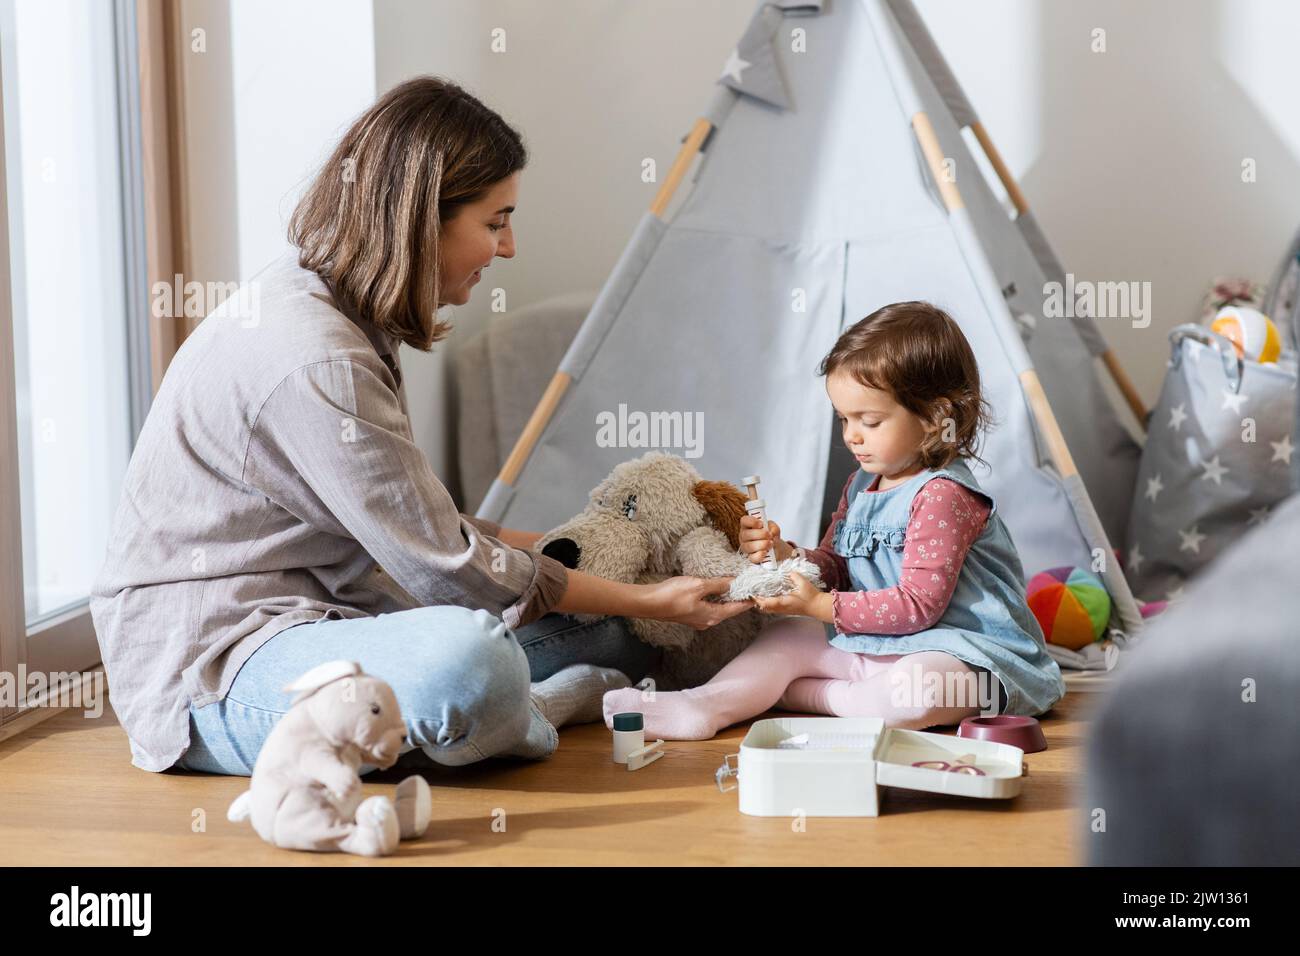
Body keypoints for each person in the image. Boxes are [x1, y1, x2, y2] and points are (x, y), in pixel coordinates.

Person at [89, 76, 750, 776]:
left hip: (331, 619)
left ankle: (504, 711)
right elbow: (448, 565)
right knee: (468, 663)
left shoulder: (346, 319)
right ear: (420, 219)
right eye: (495, 222)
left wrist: (610, 561)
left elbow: (423, 527)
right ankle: (537, 712)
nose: (510, 247)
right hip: (219, 669)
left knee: (621, 634)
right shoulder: (318, 356)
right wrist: (645, 595)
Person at [601, 301, 1066, 739]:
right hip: (877, 640)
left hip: (964, 650)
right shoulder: (862, 485)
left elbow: (920, 605)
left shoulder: (943, 495)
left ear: (934, 417)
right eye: (844, 420)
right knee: (786, 635)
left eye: (870, 420)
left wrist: (821, 608)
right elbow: (838, 567)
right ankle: (704, 705)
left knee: (918, 691)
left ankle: (806, 696)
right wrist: (788, 557)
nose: (852, 437)